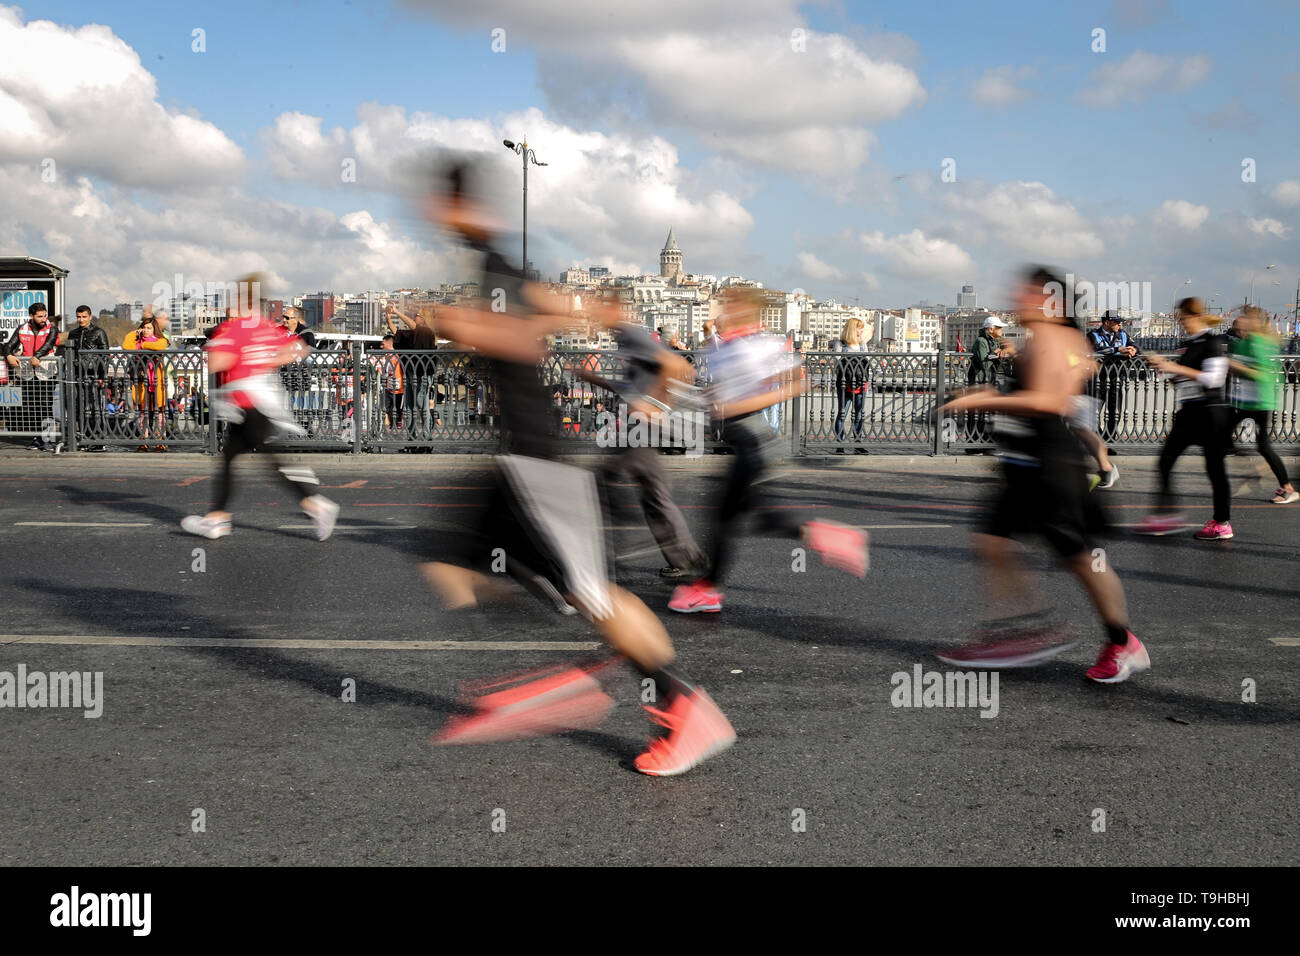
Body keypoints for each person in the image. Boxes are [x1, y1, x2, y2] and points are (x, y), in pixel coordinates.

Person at [421, 158, 735, 777]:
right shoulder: (492, 264)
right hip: (515, 463)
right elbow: (544, 313)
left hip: (539, 465)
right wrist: (577, 318)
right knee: (448, 564)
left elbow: (523, 333)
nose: (433, 215)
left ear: (460, 206)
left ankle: (676, 704)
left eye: (440, 203)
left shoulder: (494, 266)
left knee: (596, 594)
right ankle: (574, 678)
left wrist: (468, 325)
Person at [938, 266, 1147, 684]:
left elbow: (1049, 402)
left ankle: (1119, 641)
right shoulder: (1046, 340)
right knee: (994, 542)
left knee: (1080, 558)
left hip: (1050, 464)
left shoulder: (1055, 339)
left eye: (1028, 293)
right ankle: (1022, 631)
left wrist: (975, 401)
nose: (1018, 299)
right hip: (1024, 461)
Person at [667, 287, 868, 615]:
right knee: (760, 519)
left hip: (753, 440)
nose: (727, 308)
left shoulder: (761, 346)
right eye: (727, 303)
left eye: (734, 304)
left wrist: (737, 404)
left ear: (751, 310)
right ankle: (831, 537)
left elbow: (798, 381)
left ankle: (709, 589)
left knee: (724, 518)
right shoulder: (730, 344)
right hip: (742, 438)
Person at [180, 276, 338, 542]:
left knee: (270, 461)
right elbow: (298, 349)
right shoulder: (265, 327)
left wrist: (221, 350)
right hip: (263, 404)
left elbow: (217, 363)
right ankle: (217, 518)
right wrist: (264, 363)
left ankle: (315, 503)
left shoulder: (236, 328)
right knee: (234, 456)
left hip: (246, 404)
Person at [573, 296, 709, 579]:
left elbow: (679, 367)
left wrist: (654, 405)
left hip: (641, 426)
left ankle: (607, 550)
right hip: (639, 425)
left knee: (609, 482)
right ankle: (687, 556)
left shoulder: (632, 334)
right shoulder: (626, 337)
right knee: (653, 494)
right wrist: (595, 379)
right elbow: (632, 384)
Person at [1136, 298, 1234, 539]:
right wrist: (1162, 369)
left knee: (1215, 469)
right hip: (1189, 412)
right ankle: (1166, 516)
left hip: (1211, 412)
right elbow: (1182, 379)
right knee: (1165, 461)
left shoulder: (1214, 341)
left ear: (1194, 316)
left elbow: (1213, 379)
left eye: (1182, 319)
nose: (1181, 324)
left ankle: (1222, 523)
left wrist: (1175, 368)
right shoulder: (1188, 344)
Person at [1228, 306, 1297, 504]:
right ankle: (1258, 471)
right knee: (1227, 438)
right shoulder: (1243, 342)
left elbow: (1262, 374)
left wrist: (1236, 367)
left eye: (1243, 318)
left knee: (1263, 447)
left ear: (1252, 322)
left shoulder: (1258, 343)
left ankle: (1287, 487)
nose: (1238, 320)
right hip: (1244, 400)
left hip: (1260, 400)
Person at [4, 301, 59, 448]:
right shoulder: (22, 329)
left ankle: (48, 440)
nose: (43, 319)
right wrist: (9, 355)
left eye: (45, 316)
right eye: (40, 316)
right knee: (34, 407)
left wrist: (37, 356)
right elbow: (8, 345)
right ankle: (36, 438)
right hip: (28, 374)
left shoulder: (51, 328)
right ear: (31, 316)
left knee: (46, 406)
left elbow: (49, 343)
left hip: (46, 373)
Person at [1085, 310, 1140, 442]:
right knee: (1094, 413)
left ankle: (1109, 441)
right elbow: (1096, 349)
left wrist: (1134, 350)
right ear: (1106, 322)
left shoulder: (1122, 334)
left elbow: (1136, 346)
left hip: (1116, 378)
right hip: (1097, 379)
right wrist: (1118, 350)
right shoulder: (1093, 334)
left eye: (1120, 322)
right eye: (1117, 322)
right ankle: (1098, 442)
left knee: (1115, 413)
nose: (1120, 325)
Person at [64, 305, 110, 449]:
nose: (81, 319)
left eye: (84, 317)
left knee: (94, 407)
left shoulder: (99, 332)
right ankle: (84, 437)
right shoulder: (73, 333)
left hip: (93, 375)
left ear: (90, 317)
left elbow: (105, 355)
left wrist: (102, 375)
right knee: (79, 408)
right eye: (78, 317)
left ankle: (98, 440)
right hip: (77, 375)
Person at [123, 316, 170, 451]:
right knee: (143, 412)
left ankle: (161, 441)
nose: (146, 330)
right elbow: (126, 345)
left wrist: (142, 345)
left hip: (157, 381)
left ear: (155, 329)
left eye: (149, 328)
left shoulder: (160, 340)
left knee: (160, 412)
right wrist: (135, 333)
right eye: (144, 327)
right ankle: (143, 441)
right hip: (142, 380)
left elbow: (160, 345)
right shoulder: (136, 340)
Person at [964, 315, 1010, 442]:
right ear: (990, 329)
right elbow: (984, 364)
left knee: (985, 413)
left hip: (988, 381)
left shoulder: (995, 340)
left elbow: (1008, 345)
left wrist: (1002, 350)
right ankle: (973, 444)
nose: (1001, 330)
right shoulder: (981, 342)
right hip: (979, 381)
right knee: (976, 413)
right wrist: (995, 354)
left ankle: (984, 442)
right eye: (999, 328)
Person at [832, 316, 869, 454]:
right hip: (844, 383)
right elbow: (836, 363)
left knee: (859, 414)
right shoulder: (840, 343)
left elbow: (867, 361)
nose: (861, 331)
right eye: (859, 328)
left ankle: (857, 443)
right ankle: (840, 444)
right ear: (853, 329)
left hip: (860, 383)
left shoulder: (862, 344)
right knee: (843, 413)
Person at [377, 334, 404, 432]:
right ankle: (387, 426)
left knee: (397, 409)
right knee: (386, 408)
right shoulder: (386, 356)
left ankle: (397, 424)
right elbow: (382, 369)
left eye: (382, 344)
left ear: (389, 344)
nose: (381, 347)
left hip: (399, 388)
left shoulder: (397, 355)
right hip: (388, 387)